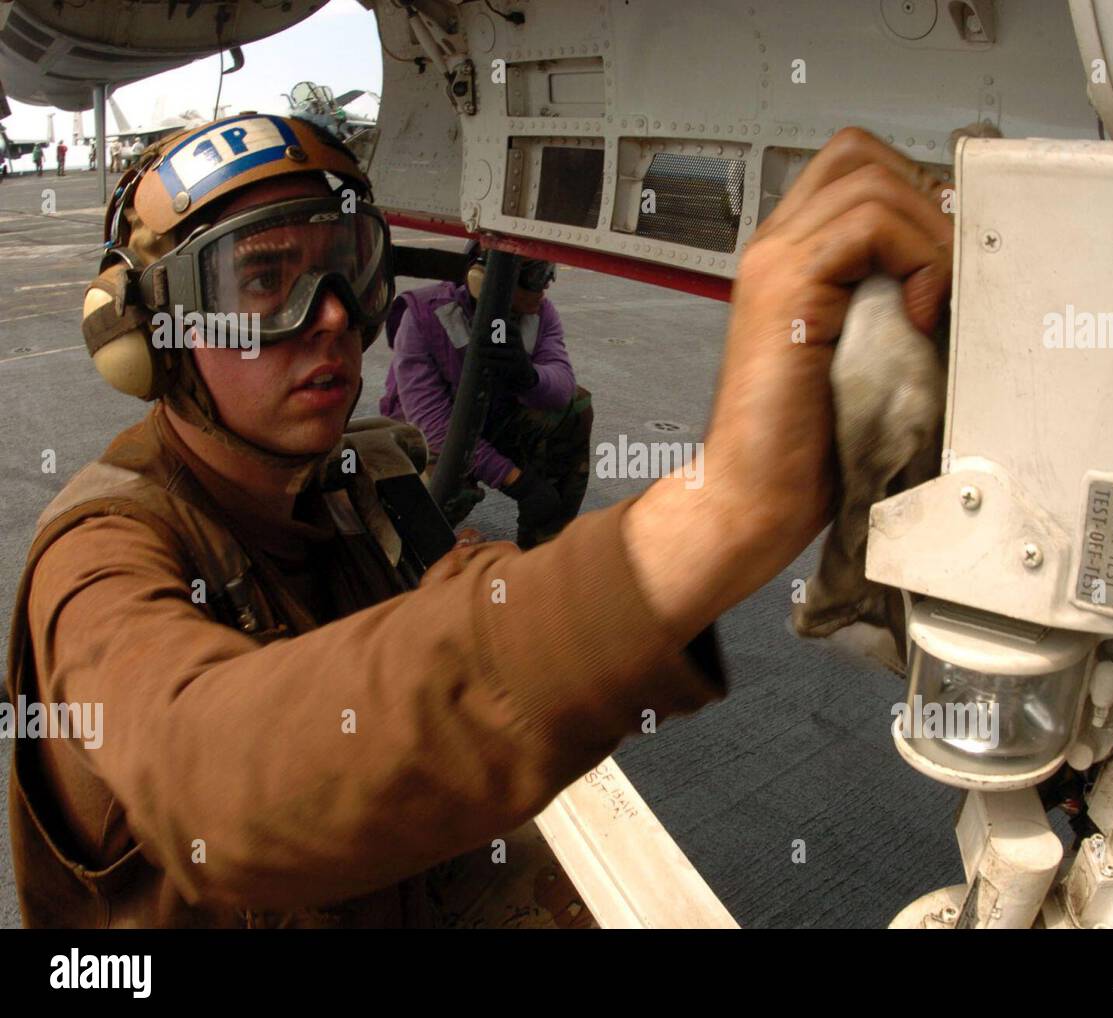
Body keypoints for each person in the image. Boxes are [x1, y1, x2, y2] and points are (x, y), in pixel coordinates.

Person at [6, 113, 952, 928]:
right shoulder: (97, 556)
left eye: (347, 269)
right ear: (149, 339)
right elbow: (212, 782)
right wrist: (717, 510)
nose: (331, 316)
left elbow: (452, 595)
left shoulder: (355, 473)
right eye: (265, 282)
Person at [379, 243, 591, 548]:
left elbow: (563, 388)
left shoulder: (540, 314)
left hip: (490, 418)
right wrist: (518, 481)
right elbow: (436, 428)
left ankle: (544, 548)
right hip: (428, 441)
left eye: (550, 271)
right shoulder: (424, 317)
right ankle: (415, 552)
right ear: (485, 277)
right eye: (537, 274)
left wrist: (529, 377)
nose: (547, 283)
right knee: (443, 485)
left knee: (577, 409)